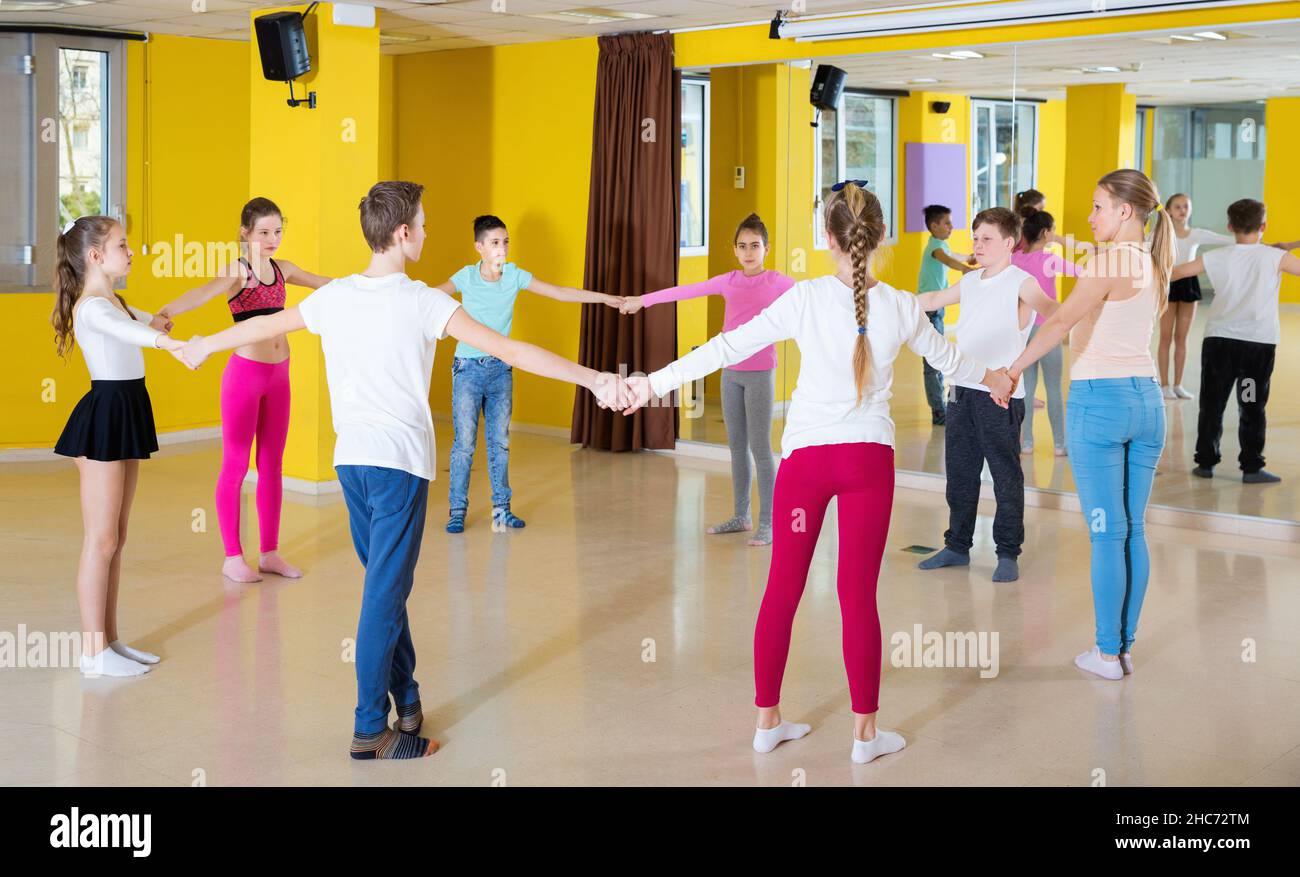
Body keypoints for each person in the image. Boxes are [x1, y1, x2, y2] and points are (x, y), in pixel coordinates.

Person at [178, 181, 630, 760]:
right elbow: (510, 350)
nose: (427, 230)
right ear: (401, 234)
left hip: (354, 467)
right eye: (422, 222)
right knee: (383, 596)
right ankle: (370, 731)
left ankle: (407, 698)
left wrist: (203, 345)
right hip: (397, 468)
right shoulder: (423, 301)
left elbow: (263, 325)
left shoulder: (337, 296)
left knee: (385, 589)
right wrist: (594, 380)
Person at [623, 182, 1013, 764]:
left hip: (806, 463)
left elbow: (725, 348)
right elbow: (951, 361)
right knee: (858, 596)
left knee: (783, 587)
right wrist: (998, 379)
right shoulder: (902, 305)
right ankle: (864, 737)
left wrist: (650, 384)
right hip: (866, 462)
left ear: (826, 238)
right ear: (880, 238)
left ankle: (767, 722)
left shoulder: (802, 298)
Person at [1006, 169, 1173, 681]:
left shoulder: (1108, 261)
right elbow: (1080, 315)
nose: (1090, 215)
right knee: (1131, 530)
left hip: (1100, 401)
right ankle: (1123, 647)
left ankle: (1105, 655)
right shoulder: (1152, 260)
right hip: (1147, 402)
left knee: (1106, 534)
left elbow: (1059, 324)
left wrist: (1012, 373)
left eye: (1098, 206)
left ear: (1126, 211)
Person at [158, 198, 331, 583]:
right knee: (236, 463)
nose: (273, 239)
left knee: (272, 465)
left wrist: (371, 287)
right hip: (245, 377)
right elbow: (202, 293)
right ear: (245, 233)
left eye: (278, 231)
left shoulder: (284, 270)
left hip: (279, 376)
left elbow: (325, 283)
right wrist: (167, 312)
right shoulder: (239, 272)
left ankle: (269, 553)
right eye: (265, 232)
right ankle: (232, 556)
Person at [51, 216, 188, 677]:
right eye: (122, 245)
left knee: (117, 538)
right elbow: (131, 332)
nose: (131, 252)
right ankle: (93, 653)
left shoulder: (113, 300)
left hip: (127, 408)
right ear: (95, 256)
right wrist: (168, 343)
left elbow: (143, 320)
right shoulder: (92, 306)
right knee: (101, 539)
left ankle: (109, 640)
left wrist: (163, 321)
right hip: (105, 417)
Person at [434, 215, 624, 534]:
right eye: (495, 242)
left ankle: (502, 510)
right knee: (464, 444)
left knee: (500, 442)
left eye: (506, 241)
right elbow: (428, 297)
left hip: (501, 370)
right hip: (467, 370)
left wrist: (605, 298)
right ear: (479, 247)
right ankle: (457, 510)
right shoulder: (465, 277)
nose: (502, 248)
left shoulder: (514, 276)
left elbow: (561, 292)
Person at [620, 213, 795, 546]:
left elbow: (814, 301)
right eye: (742, 246)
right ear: (734, 250)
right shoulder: (728, 281)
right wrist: (641, 301)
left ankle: (768, 523)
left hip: (760, 374)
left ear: (766, 248)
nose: (748, 252)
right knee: (736, 448)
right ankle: (740, 516)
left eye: (755, 246)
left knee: (760, 448)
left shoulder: (779, 283)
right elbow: (684, 291)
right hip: (730, 373)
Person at [914, 207, 1060, 584]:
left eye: (986, 239)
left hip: (1001, 396)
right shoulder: (972, 281)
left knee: (1005, 476)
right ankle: (957, 545)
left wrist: (1020, 366)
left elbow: (1056, 317)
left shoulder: (1022, 282)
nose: (977, 244)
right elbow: (932, 299)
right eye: (975, 237)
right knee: (960, 474)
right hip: (963, 390)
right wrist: (888, 299)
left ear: (1009, 243)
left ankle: (1007, 551)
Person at [1172, 198, 1300, 483]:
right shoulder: (1274, 257)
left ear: (1230, 226)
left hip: (1219, 343)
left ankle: (1205, 463)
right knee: (1251, 404)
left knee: (1212, 403)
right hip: (1256, 347)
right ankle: (1251, 467)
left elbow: (1176, 273)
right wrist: (1289, 248)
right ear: (1263, 226)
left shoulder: (1217, 256)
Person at [1011, 209, 1077, 456]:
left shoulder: (1015, 259)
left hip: (1023, 330)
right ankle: (1060, 444)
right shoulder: (1050, 259)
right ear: (1045, 233)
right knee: (1053, 388)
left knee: (1026, 388)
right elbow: (1082, 273)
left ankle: (1025, 442)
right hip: (1047, 331)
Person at [916, 204, 978, 426]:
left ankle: (943, 407)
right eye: (947, 223)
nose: (952, 227)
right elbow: (947, 259)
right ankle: (939, 411)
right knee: (933, 363)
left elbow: (953, 254)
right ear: (934, 226)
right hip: (929, 310)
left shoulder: (941, 243)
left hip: (936, 308)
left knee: (939, 359)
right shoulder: (935, 246)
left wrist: (969, 257)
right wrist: (964, 269)